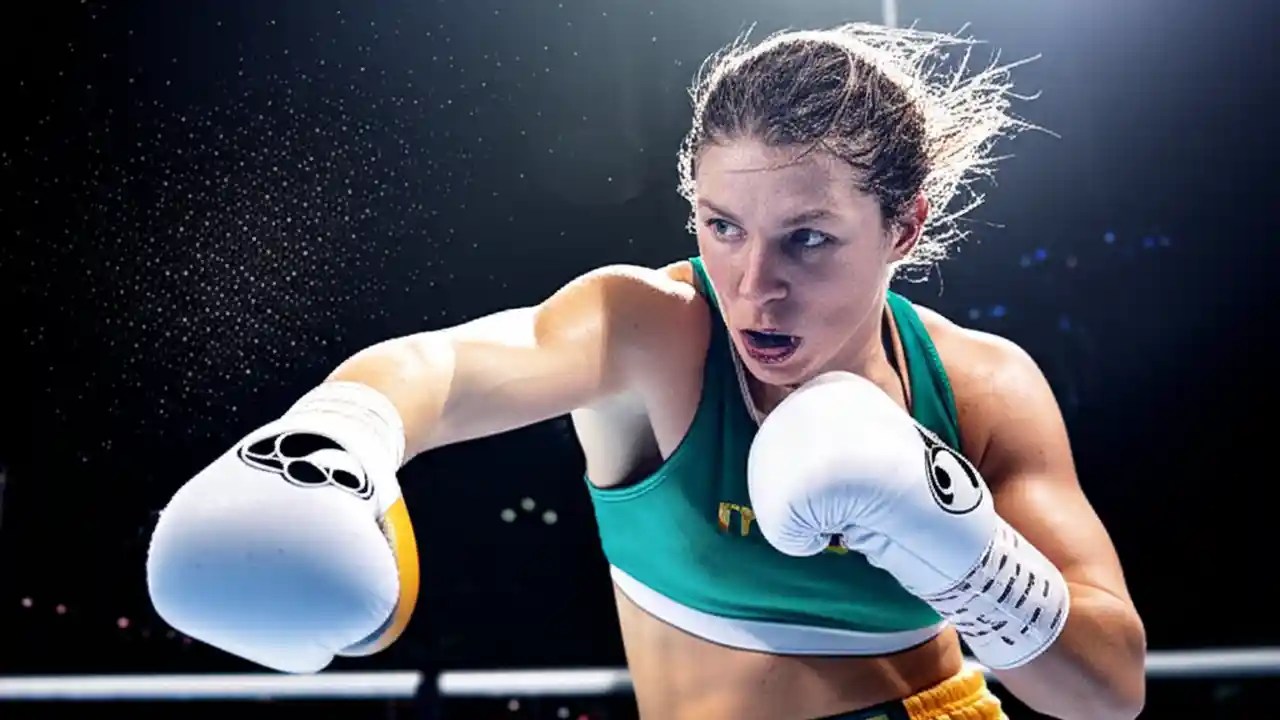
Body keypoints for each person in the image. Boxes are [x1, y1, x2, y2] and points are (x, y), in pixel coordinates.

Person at [145, 23, 1146, 720]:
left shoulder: (979, 386)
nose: (754, 286)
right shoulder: (653, 334)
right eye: (721, 227)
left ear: (903, 225)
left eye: (807, 239)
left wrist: (963, 555)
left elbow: (1107, 690)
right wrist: (340, 432)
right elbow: (446, 369)